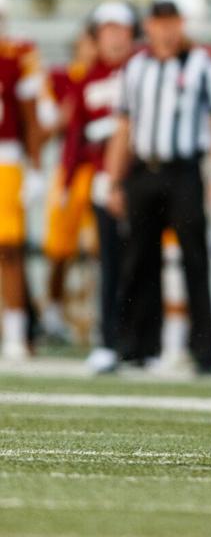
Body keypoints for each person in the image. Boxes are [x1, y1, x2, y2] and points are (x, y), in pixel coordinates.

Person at [102, 0, 211, 375]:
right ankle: (137, 347)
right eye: (159, 22)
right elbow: (123, 127)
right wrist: (113, 181)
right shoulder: (135, 67)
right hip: (144, 170)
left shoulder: (203, 66)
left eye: (172, 22)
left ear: (182, 24)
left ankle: (205, 352)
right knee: (138, 259)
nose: (166, 30)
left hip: (184, 171)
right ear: (149, 26)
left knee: (195, 258)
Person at [54, 3, 138, 372]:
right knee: (109, 261)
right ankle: (110, 339)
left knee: (147, 259)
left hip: (144, 175)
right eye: (107, 30)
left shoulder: (143, 68)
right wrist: (67, 179)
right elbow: (76, 134)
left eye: (120, 29)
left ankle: (149, 340)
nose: (114, 37)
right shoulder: (87, 77)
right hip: (104, 177)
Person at [39, 30, 97, 343]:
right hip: (69, 170)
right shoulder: (62, 78)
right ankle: (52, 314)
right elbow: (50, 127)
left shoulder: (109, 74)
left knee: (104, 248)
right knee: (59, 248)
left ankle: (105, 314)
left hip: (100, 169)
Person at [0, 0, 47, 360]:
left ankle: (16, 334)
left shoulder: (19, 53)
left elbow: (31, 118)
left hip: (6, 157)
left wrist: (34, 168)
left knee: (8, 247)